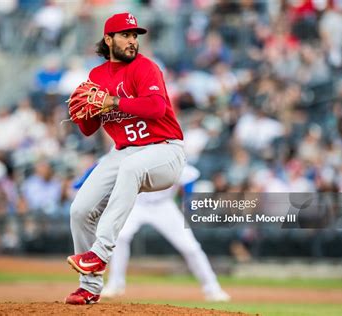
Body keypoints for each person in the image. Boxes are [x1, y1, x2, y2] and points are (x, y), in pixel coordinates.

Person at [64, 12, 186, 305]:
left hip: (164, 150)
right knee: (80, 210)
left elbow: (157, 108)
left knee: (131, 166)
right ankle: (89, 287)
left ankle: (99, 253)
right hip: (123, 152)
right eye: (125, 35)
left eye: (135, 35)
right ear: (108, 39)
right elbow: (90, 127)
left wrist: (113, 101)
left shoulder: (146, 68)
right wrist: (83, 113)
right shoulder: (96, 76)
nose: (132, 41)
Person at [99, 164, 231, 302]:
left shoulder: (172, 158)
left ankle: (213, 289)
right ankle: (115, 284)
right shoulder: (139, 154)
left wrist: (189, 201)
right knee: (121, 237)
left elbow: (189, 177)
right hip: (136, 204)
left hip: (164, 206)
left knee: (191, 247)